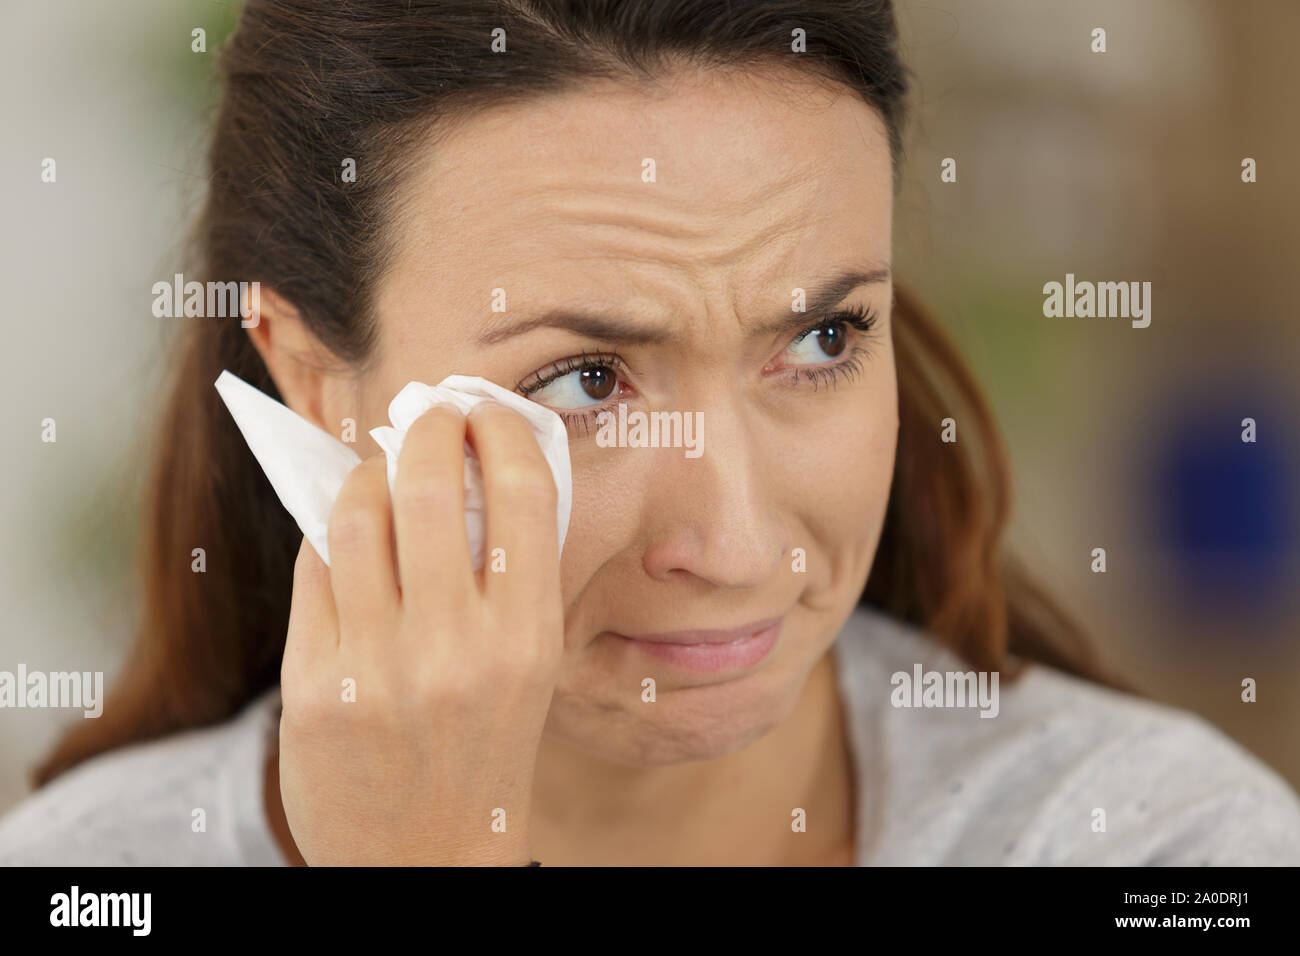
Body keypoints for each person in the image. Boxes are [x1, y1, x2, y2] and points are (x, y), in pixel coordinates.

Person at [2, 0, 1297, 866]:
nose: (733, 543)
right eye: (584, 381)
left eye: (822, 341)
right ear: (312, 380)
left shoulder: (1154, 846)